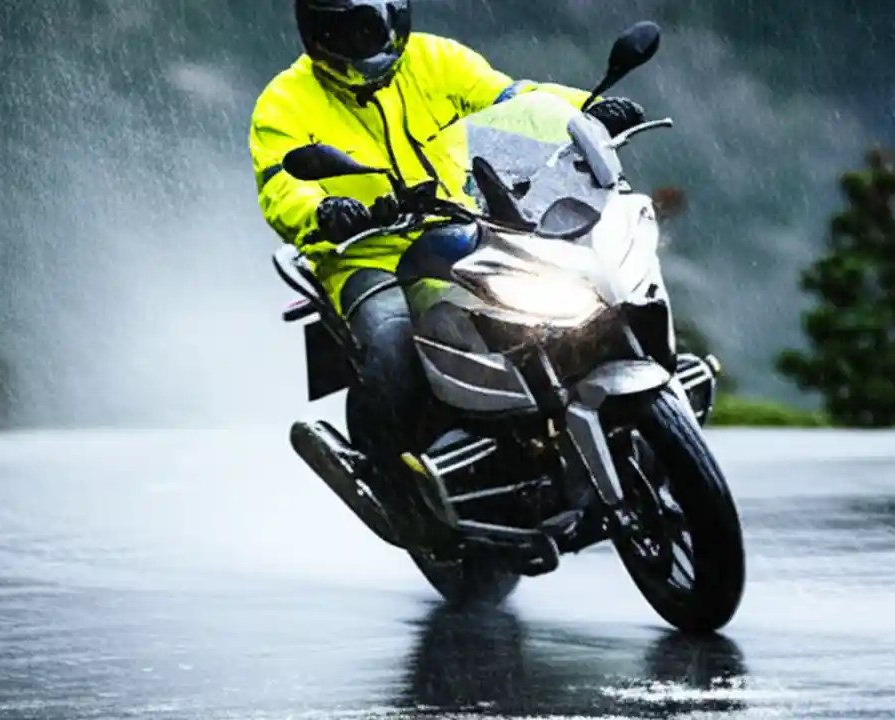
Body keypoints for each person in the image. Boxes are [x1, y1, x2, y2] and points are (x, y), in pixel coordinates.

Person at [250, 0, 646, 550]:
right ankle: (396, 483)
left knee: (557, 298)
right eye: (356, 26)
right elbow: (280, 184)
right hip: (365, 253)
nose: (374, 36)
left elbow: (513, 100)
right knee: (392, 342)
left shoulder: (433, 58)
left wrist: (587, 111)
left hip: (461, 227)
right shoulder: (285, 102)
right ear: (321, 33)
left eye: (379, 18)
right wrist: (323, 211)